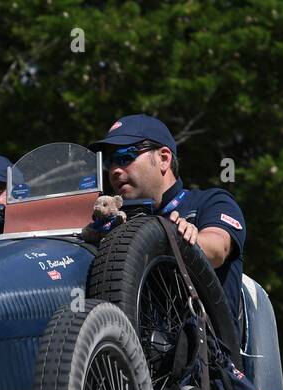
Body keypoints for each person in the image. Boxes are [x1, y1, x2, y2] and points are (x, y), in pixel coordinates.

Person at [90, 114, 247, 323]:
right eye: (109, 162)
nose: (115, 170)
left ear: (164, 158)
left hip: (205, 350)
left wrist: (181, 238)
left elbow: (217, 249)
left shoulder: (211, 201)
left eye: (125, 157)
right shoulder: (110, 222)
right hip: (122, 346)